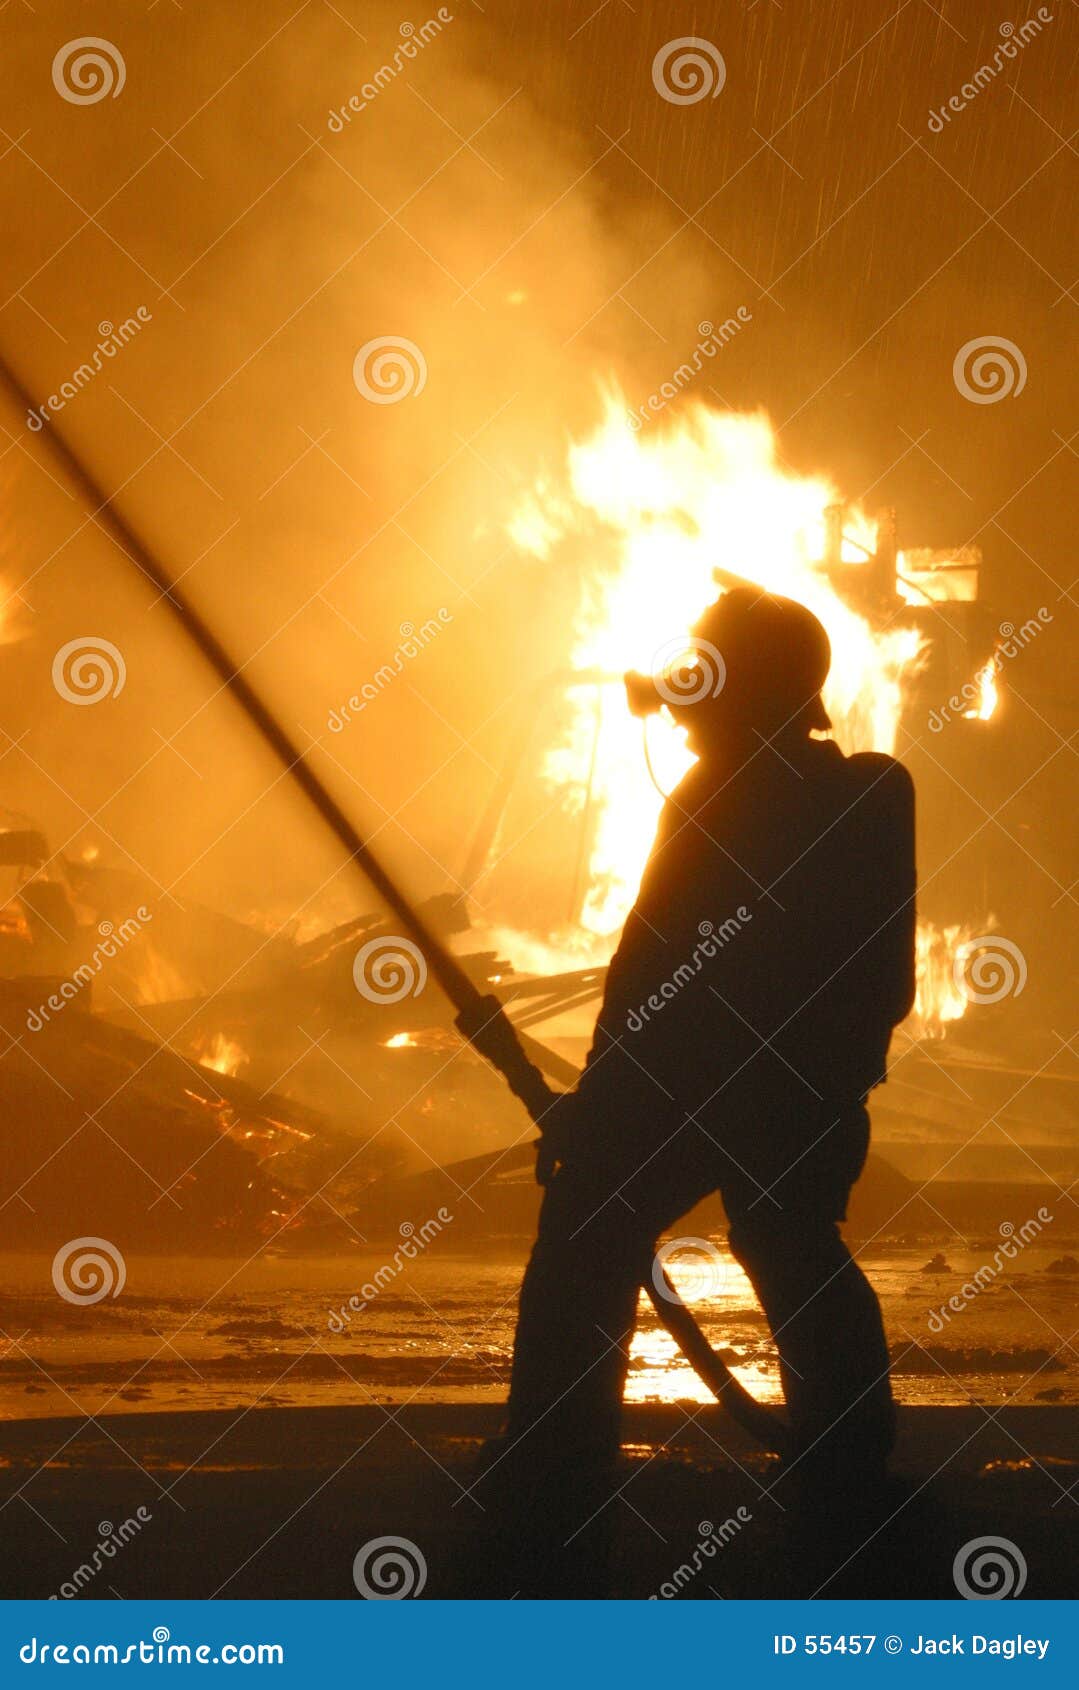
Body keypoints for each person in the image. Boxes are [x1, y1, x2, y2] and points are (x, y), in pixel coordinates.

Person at [484, 587, 916, 1595]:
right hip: (792, 1091)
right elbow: (866, 983)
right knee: (788, 1243)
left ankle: (552, 1481)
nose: (680, 700)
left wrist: (598, 1113)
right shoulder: (864, 793)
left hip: (707, 1088)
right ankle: (847, 1469)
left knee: (590, 1241)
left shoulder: (730, 799)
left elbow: (644, 977)